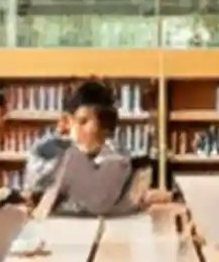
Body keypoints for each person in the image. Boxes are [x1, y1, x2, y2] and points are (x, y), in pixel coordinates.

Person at [24, 81, 139, 216]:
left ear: (105, 126)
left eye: (84, 122)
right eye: (75, 122)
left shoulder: (118, 157)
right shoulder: (50, 150)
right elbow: (34, 190)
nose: (77, 130)